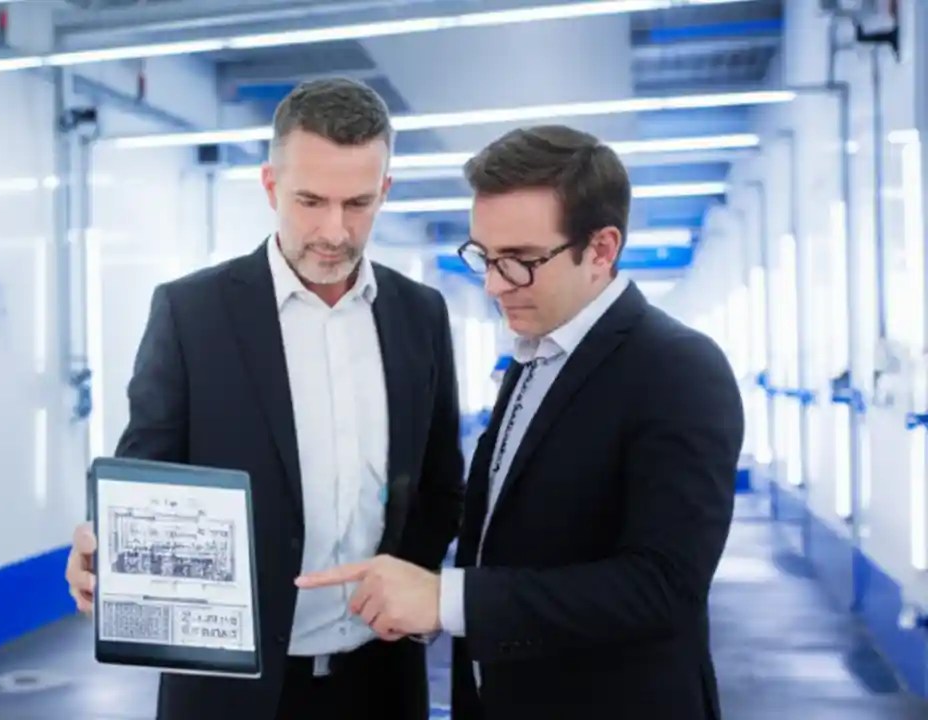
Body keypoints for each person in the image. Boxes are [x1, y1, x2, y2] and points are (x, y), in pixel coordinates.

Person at [297, 124, 745, 719]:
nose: (493, 284)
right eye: (484, 256)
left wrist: (448, 600)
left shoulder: (677, 368)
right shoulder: (536, 354)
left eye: (522, 261)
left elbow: (662, 586)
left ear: (603, 249)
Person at [64, 77, 465, 720]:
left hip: (381, 679)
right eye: (311, 200)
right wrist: (105, 544)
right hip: (232, 690)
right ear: (271, 184)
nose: (334, 230)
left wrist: (411, 598)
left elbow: (442, 481)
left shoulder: (420, 315)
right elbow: (148, 476)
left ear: (385, 192)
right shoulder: (192, 313)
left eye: (358, 203)